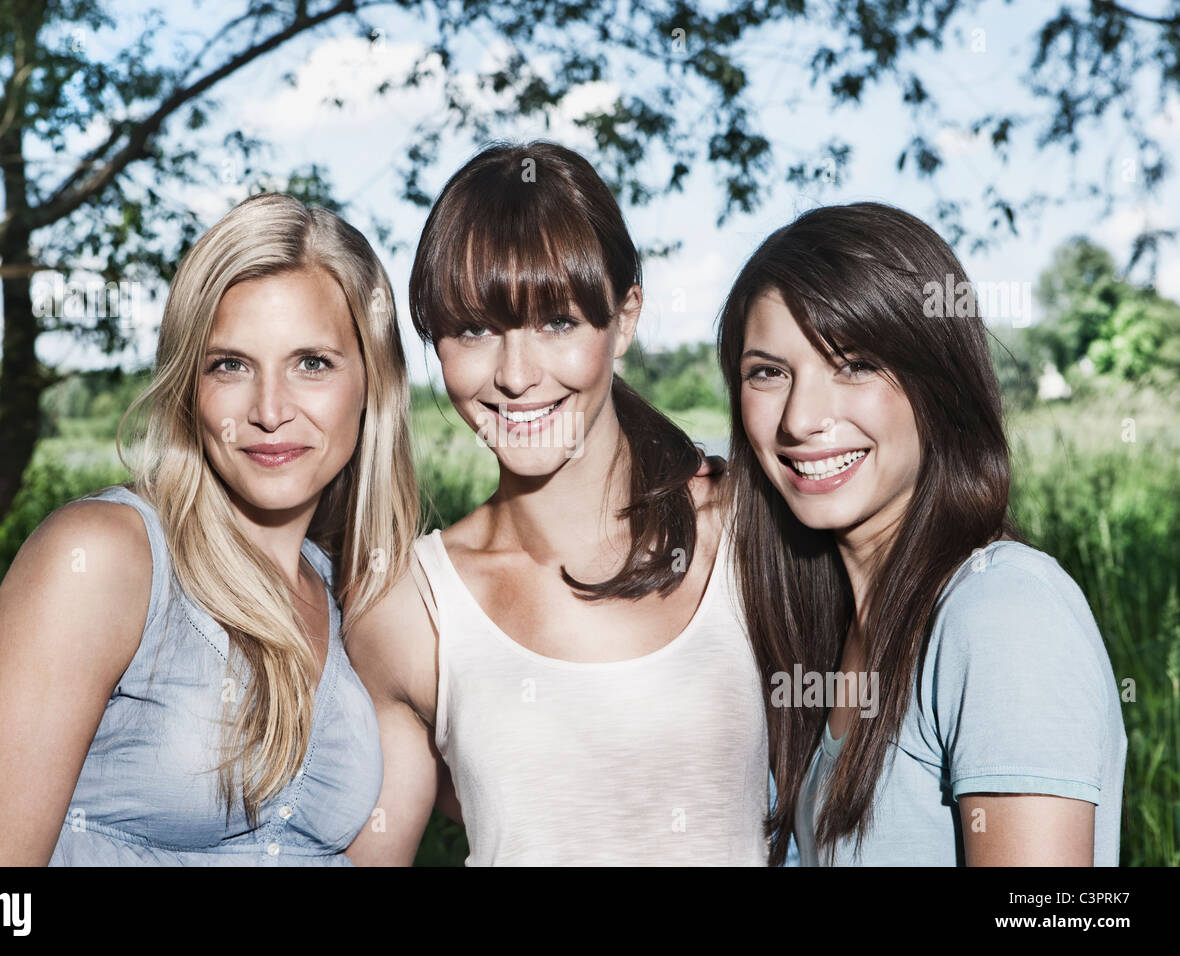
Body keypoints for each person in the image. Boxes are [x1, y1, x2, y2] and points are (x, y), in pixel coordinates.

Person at [0, 193, 417, 866]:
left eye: (312, 363)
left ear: (373, 382)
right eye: (230, 365)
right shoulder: (104, 559)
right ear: (189, 385)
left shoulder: (354, 597)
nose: (270, 410)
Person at [346, 140, 769, 866]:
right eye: (475, 329)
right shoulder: (405, 607)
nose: (516, 374)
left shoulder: (747, 532)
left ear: (624, 318)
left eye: (557, 323)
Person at [716, 201, 1127, 866]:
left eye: (853, 363)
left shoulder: (1002, 612)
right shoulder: (831, 630)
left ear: (938, 384)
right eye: (769, 371)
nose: (801, 419)